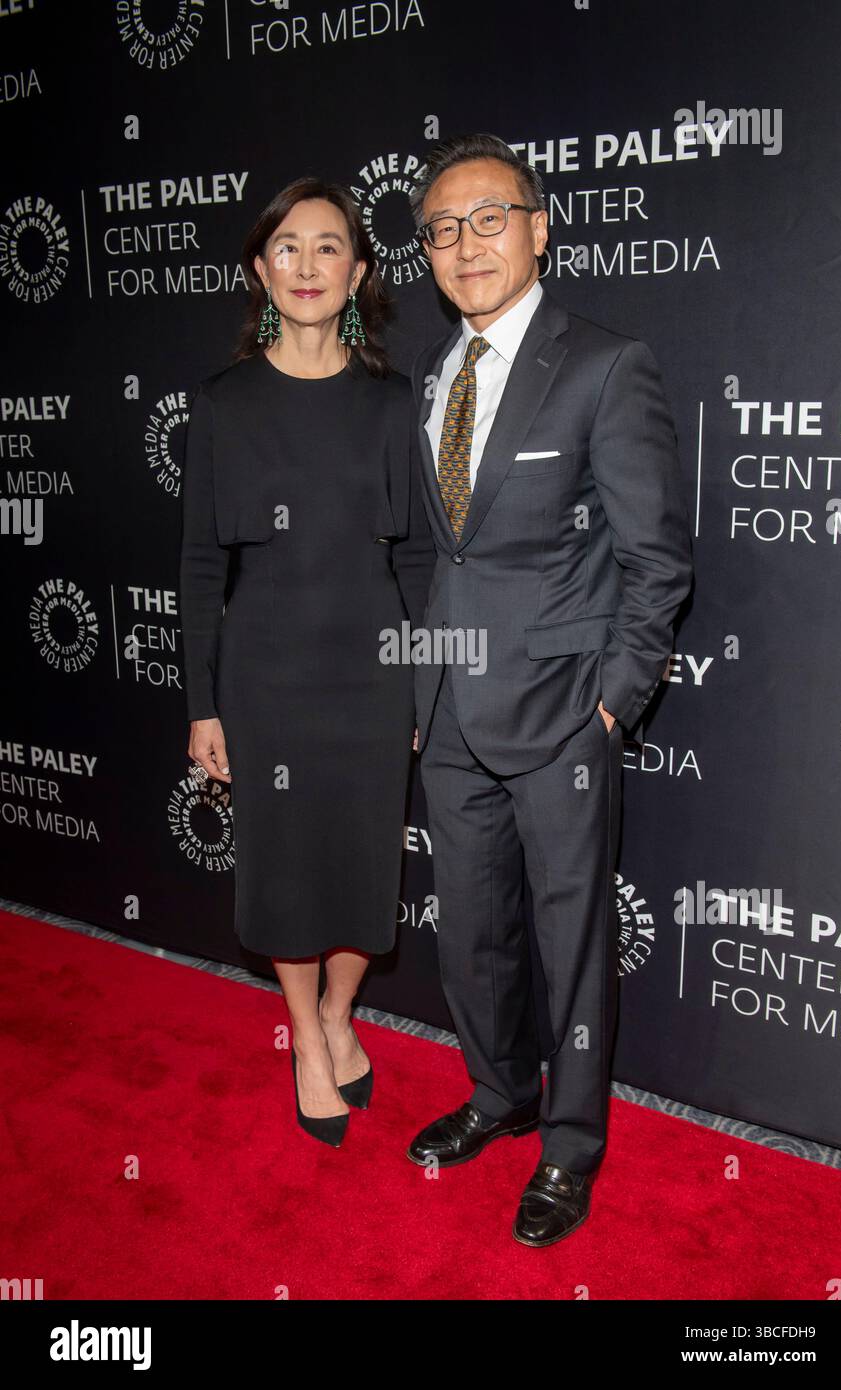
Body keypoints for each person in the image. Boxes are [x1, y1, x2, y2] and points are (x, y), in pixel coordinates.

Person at [404, 134, 694, 1245]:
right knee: (469, 933)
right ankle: (497, 1094)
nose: (465, 244)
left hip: (565, 712)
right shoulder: (438, 373)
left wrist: (612, 702)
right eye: (441, 228)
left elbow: (654, 558)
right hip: (449, 714)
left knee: (571, 944)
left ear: (538, 226)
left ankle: (569, 1146)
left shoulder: (603, 365)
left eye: (489, 219)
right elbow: (447, 556)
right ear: (425, 253)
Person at [179, 178, 435, 1150]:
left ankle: (338, 1012)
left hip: (371, 670)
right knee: (285, 865)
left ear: (359, 271)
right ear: (260, 269)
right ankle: (304, 1033)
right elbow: (201, 564)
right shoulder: (221, 403)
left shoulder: (391, 401)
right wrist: (202, 702)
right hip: (266, 675)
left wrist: (421, 678)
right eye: (287, 247)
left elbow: (415, 553)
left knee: (364, 864)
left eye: (328, 247)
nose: (307, 266)